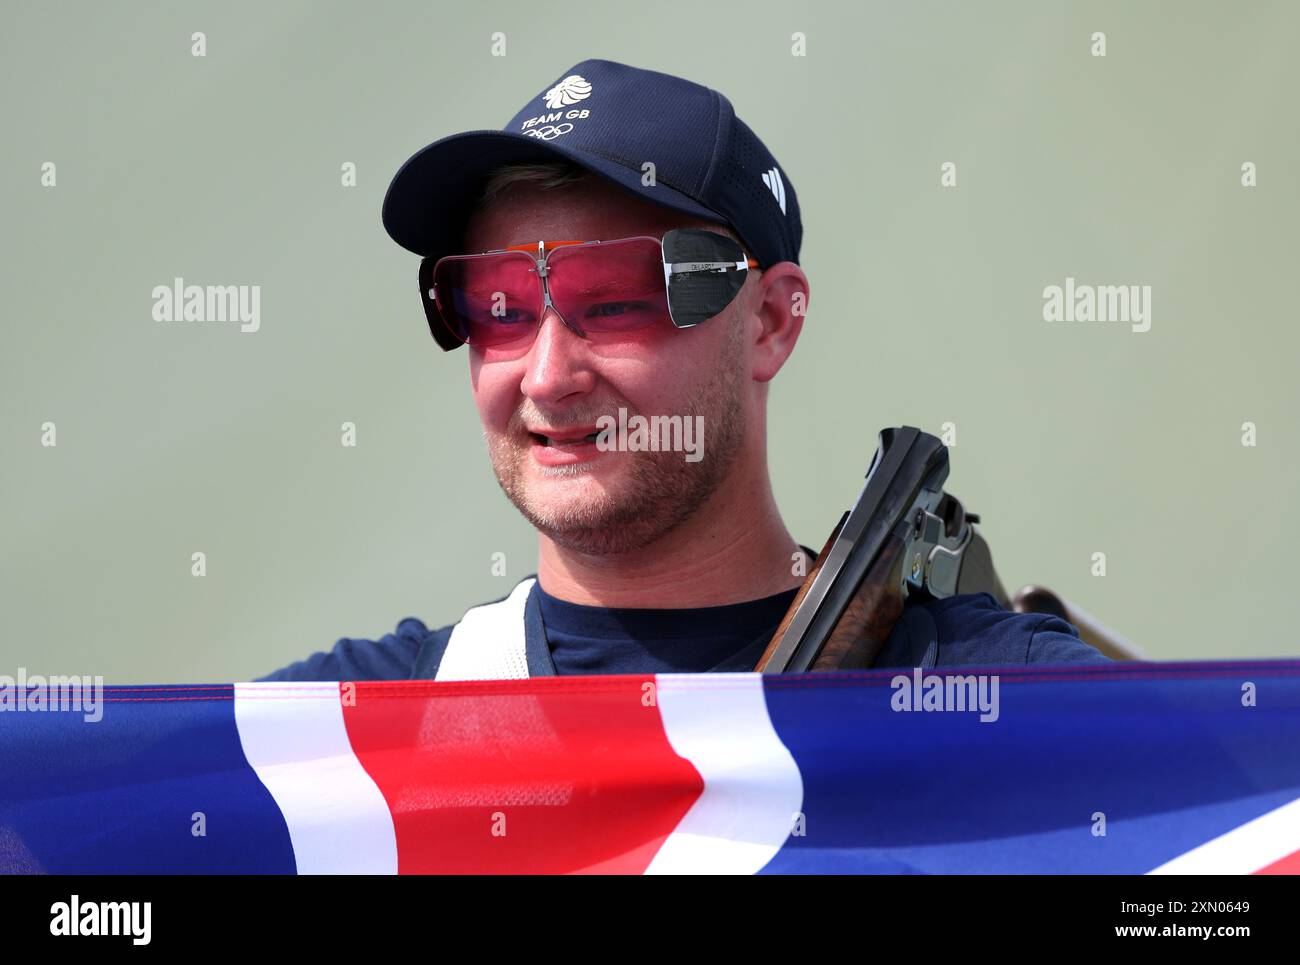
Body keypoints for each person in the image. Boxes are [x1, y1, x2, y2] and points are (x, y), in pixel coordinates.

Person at [261, 58, 1107, 682]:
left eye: (619, 296)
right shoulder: (338, 736)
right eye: (498, 305)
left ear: (771, 321)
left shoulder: (1003, 704)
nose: (547, 375)